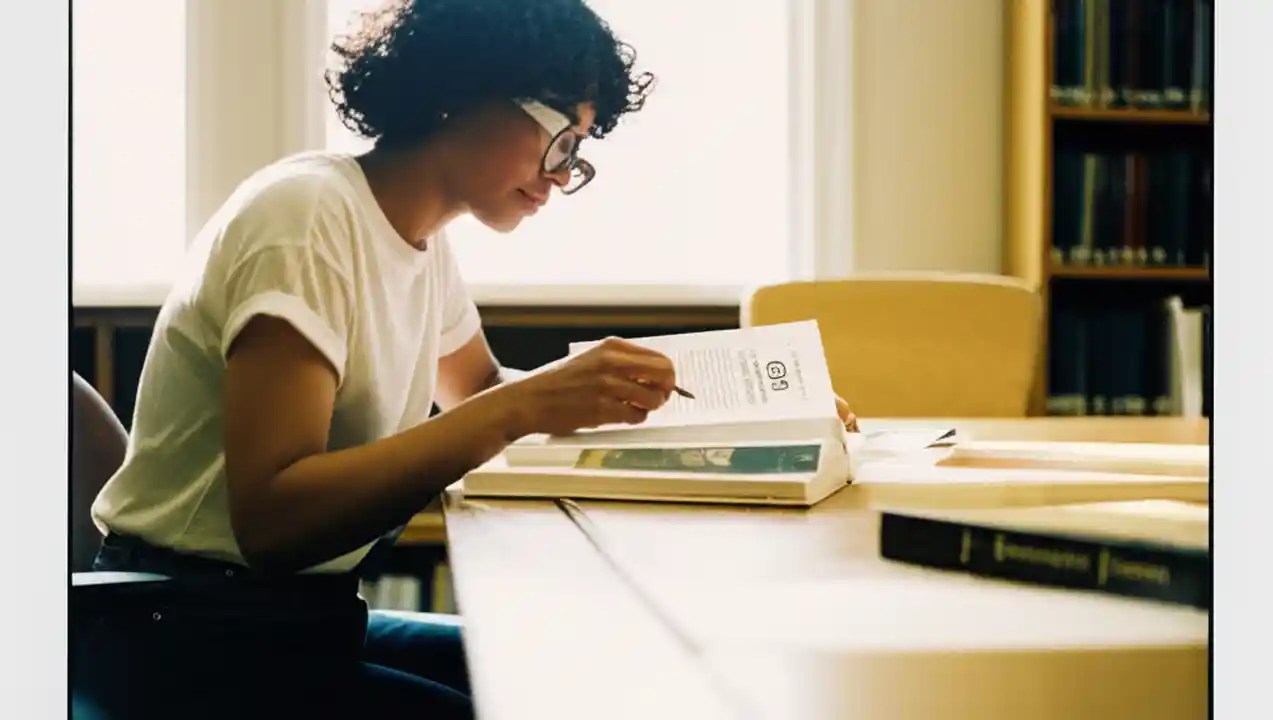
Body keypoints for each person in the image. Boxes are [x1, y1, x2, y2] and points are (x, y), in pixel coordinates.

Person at [77, 0, 855, 716]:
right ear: (463, 89)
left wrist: (750, 420)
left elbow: (480, 390)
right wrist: (521, 406)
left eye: (578, 151)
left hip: (296, 621)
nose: (561, 171)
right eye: (561, 134)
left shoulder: (419, 244)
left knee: (584, 676)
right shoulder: (305, 218)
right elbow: (276, 519)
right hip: (182, 638)